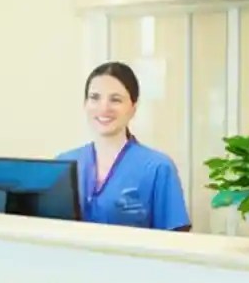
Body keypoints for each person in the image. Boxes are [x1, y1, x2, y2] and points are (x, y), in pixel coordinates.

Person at [58, 62, 191, 231]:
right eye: (95, 97)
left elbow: (176, 239)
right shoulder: (65, 163)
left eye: (116, 100)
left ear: (133, 108)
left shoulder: (158, 168)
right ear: (85, 104)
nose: (104, 108)